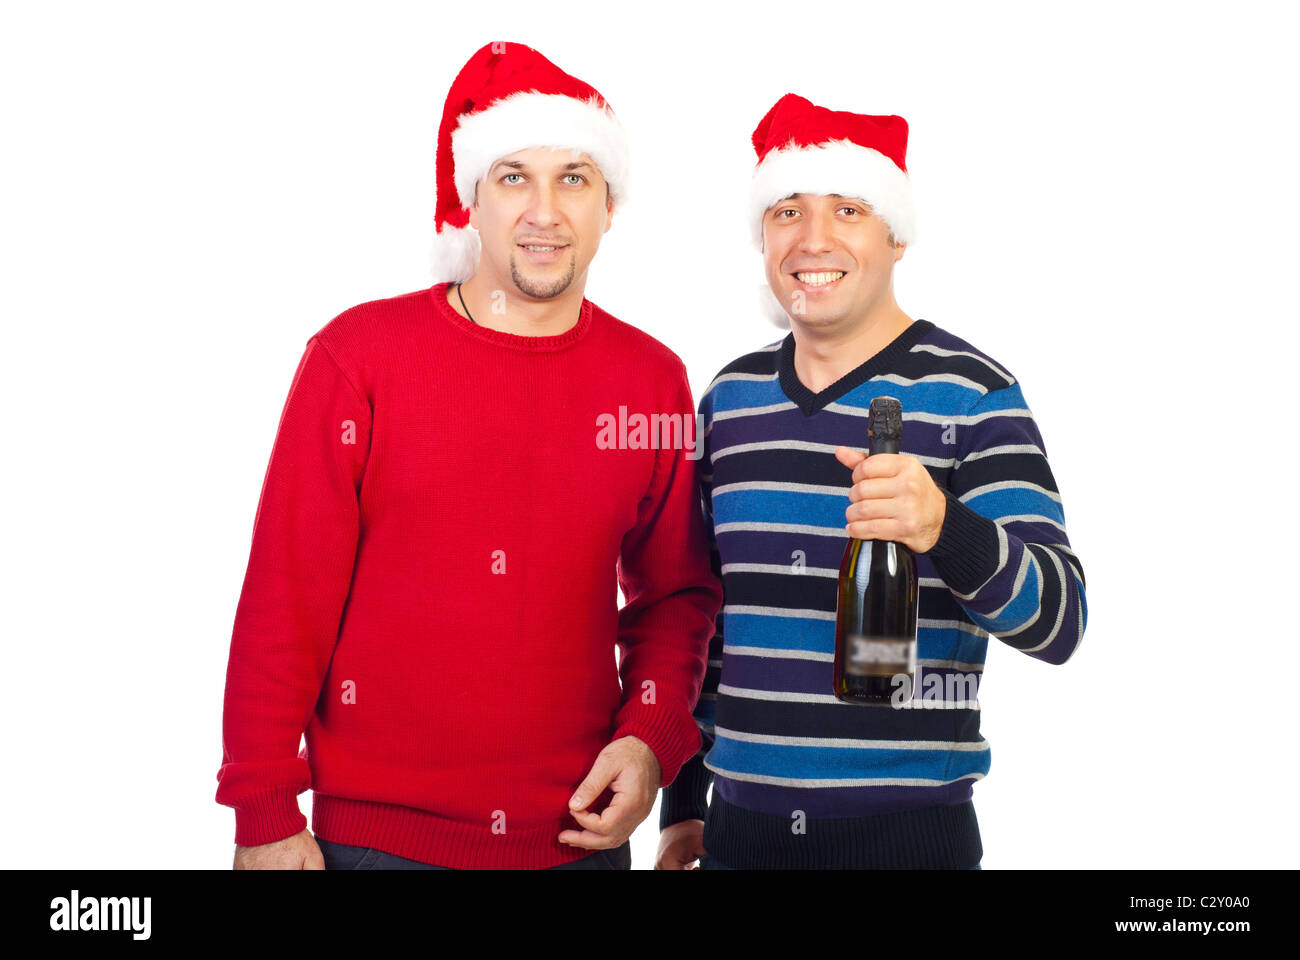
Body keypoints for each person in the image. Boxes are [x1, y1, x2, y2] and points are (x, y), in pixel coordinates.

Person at [217, 41, 721, 870]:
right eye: (514, 176)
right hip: (373, 844)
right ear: (470, 200)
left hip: (580, 839)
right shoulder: (358, 358)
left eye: (574, 178)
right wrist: (263, 809)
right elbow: (285, 595)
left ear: (608, 207)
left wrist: (648, 741)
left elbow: (676, 595)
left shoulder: (652, 380)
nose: (544, 212)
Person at [655, 93, 1088, 870]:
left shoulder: (973, 394)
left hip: (910, 843)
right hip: (735, 840)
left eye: (849, 210)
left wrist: (943, 526)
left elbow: (1059, 622)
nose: (813, 238)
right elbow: (707, 616)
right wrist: (684, 804)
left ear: (896, 236)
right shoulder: (729, 400)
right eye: (788, 211)